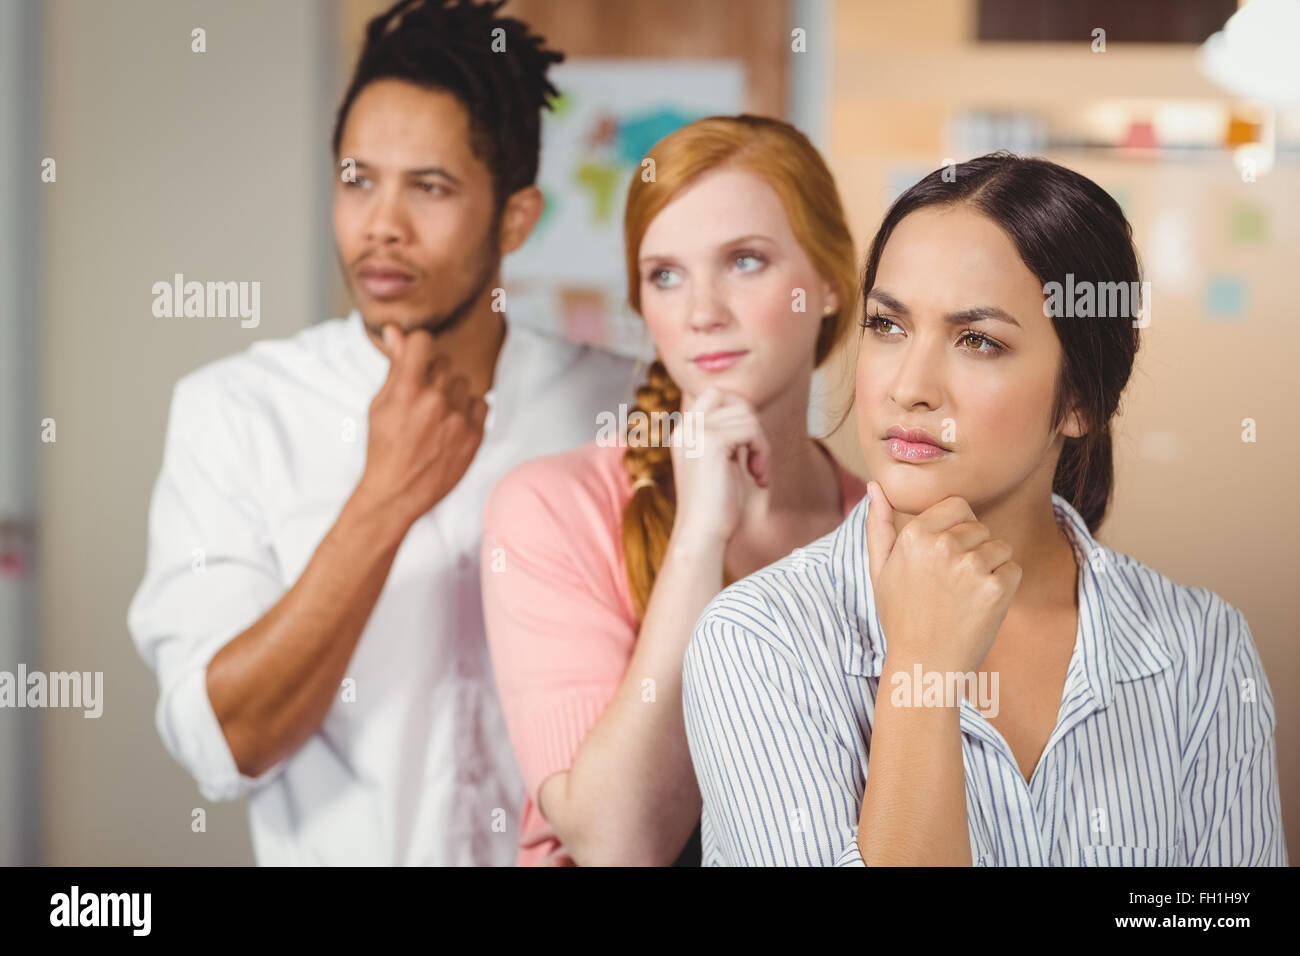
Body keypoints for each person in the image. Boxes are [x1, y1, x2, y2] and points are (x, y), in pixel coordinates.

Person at [127, 0, 636, 865]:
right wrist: (383, 499)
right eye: (358, 179)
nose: (382, 224)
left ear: (515, 218)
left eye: (429, 187)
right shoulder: (235, 413)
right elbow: (226, 744)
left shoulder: (621, 408)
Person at [682, 152, 1287, 866]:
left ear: (1080, 399)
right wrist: (921, 667)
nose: (910, 386)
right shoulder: (760, 641)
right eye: (887, 325)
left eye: (978, 341)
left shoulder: (1203, 647)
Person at [480, 115, 867, 866]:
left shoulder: (882, 535)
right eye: (665, 275)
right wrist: (698, 540)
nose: (701, 313)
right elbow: (617, 844)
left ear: (826, 284)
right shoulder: (549, 512)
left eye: (746, 261)